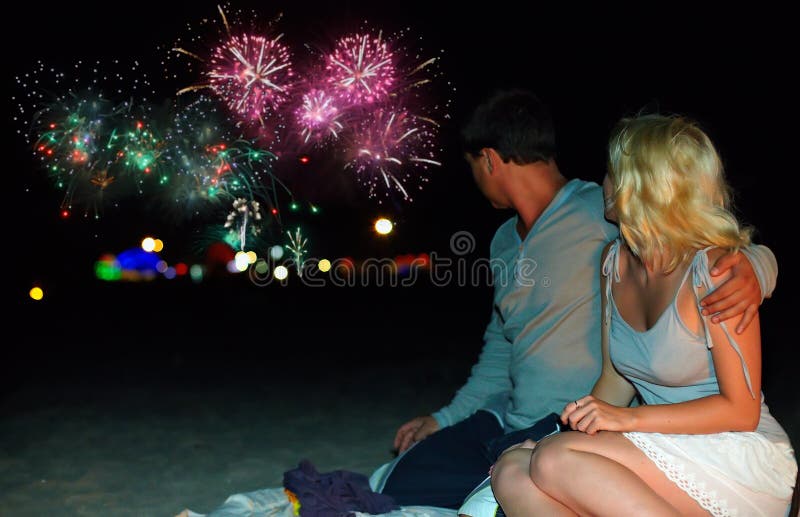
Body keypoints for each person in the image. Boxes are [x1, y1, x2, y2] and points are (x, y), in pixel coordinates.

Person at [372, 90, 779, 516]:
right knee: (395, 484)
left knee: (497, 494)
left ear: (489, 160)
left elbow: (694, 241)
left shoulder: (595, 214)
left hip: (613, 427)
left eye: (471, 164)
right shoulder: (506, 243)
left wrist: (756, 266)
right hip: (524, 420)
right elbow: (500, 349)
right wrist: (444, 418)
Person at [490, 114, 797, 516]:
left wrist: (625, 421)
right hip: (659, 442)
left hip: (734, 454)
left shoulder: (715, 271)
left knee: (552, 460)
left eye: (610, 172)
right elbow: (616, 380)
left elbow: (741, 411)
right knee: (512, 470)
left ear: (637, 185)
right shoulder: (613, 262)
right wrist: (568, 431)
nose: (603, 182)